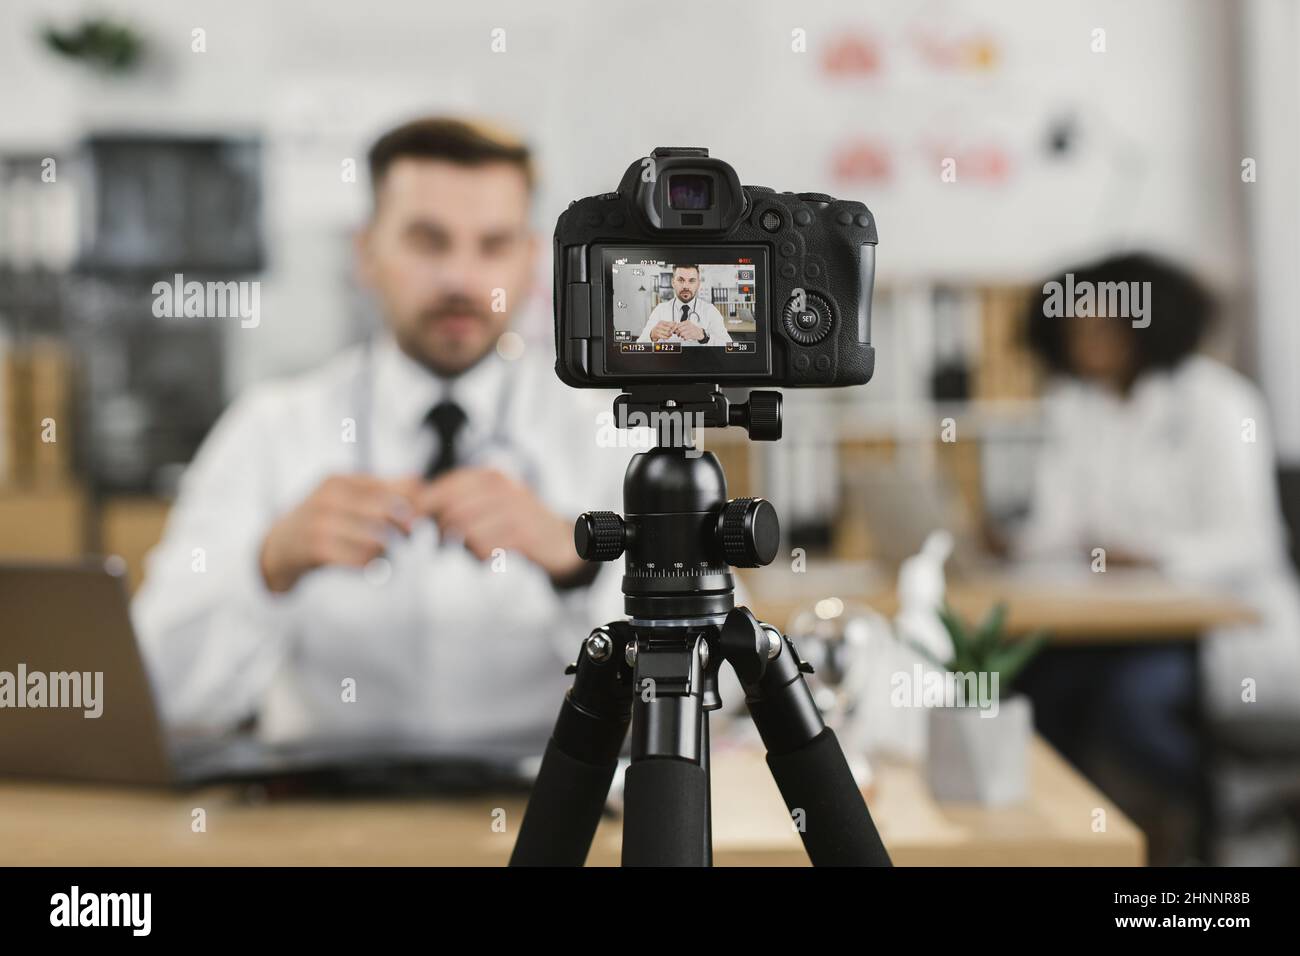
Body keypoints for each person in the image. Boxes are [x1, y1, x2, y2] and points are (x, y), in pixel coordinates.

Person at [132, 117, 626, 752]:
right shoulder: (271, 429)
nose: (460, 279)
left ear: (532, 261)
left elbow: (713, 687)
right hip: (316, 827)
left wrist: (578, 563)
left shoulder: (611, 433)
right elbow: (155, 693)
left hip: (551, 816)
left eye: (493, 245)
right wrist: (267, 566)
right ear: (366, 252)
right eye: (428, 241)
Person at [1014, 251, 1300, 858]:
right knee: (1031, 687)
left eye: (1101, 325)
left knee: (1131, 708)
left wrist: (1150, 557)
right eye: (1075, 326)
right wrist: (1007, 542)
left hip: (1213, 625)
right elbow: (1056, 529)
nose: (1085, 340)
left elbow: (1248, 541)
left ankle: (1242, 807)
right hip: (1111, 624)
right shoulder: (1075, 405)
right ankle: (1063, 847)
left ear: (1148, 324)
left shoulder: (1220, 403)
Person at [636, 264, 732, 345]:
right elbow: (639, 344)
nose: (685, 286)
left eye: (691, 281)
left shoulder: (710, 310)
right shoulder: (660, 310)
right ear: (673, 282)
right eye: (680, 280)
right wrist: (652, 335)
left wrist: (703, 336)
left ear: (698, 284)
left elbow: (728, 346)